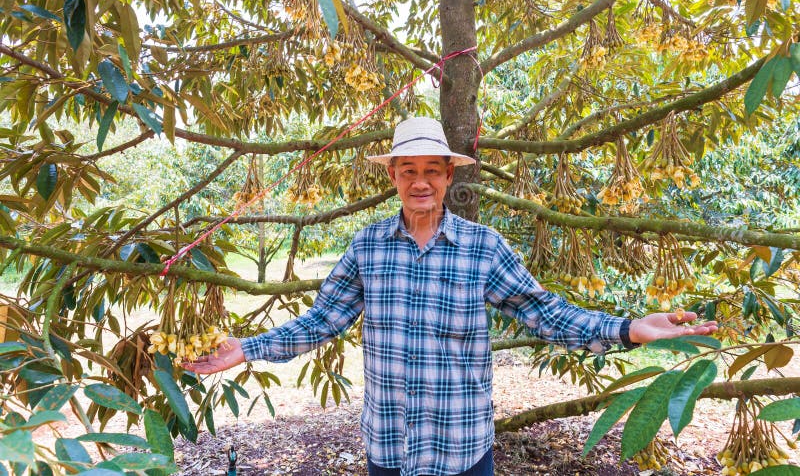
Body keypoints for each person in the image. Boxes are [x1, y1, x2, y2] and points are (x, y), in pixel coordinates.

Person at [183, 116, 718, 476]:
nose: (420, 183)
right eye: (408, 171)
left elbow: (543, 312)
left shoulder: (482, 247)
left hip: (463, 447)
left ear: (447, 177)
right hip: (388, 445)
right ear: (393, 175)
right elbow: (323, 321)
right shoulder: (368, 245)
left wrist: (628, 328)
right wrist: (246, 347)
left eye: (431, 172)